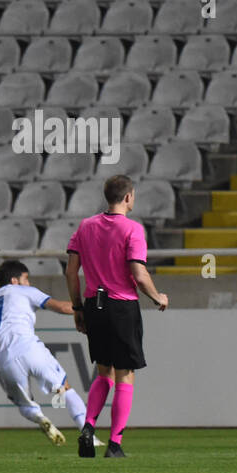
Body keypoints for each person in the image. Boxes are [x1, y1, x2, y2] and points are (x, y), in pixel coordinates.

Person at [65, 175, 169, 458]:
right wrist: (158, 297)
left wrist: (78, 308)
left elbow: (71, 271)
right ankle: (114, 444)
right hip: (121, 307)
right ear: (127, 197)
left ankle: (88, 426)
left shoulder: (85, 226)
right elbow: (139, 273)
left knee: (103, 371)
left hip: (93, 306)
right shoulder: (132, 230)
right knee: (125, 375)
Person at [0, 260, 101, 447]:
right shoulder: (24, 291)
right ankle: (89, 435)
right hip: (30, 349)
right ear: (14, 280)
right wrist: (91, 309)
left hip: (4, 360)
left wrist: (2, 362)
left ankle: (40, 417)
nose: (29, 283)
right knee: (64, 389)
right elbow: (63, 307)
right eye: (26, 279)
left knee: (25, 405)